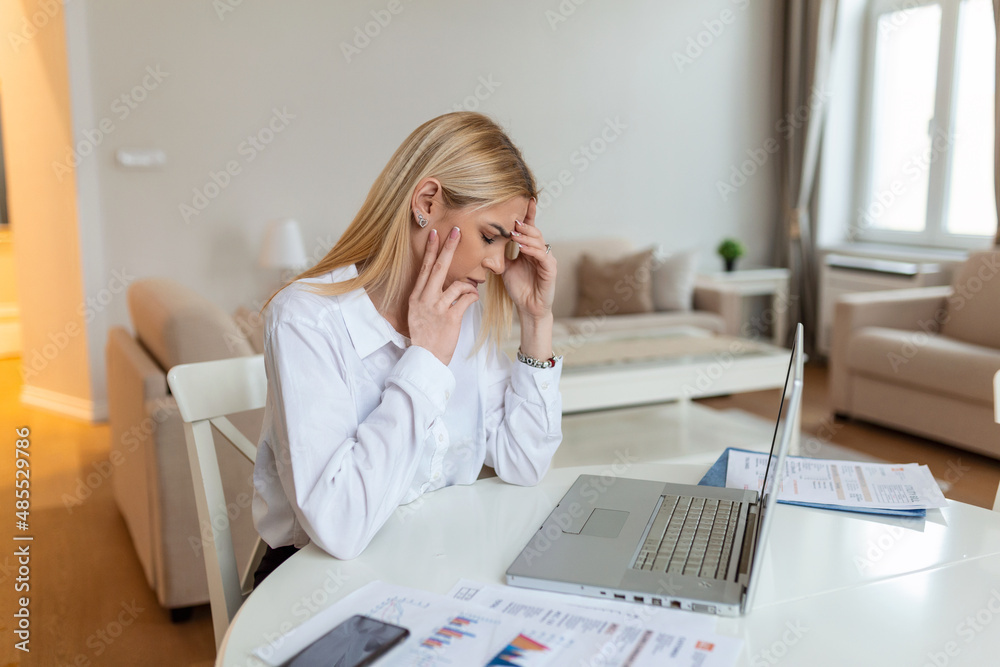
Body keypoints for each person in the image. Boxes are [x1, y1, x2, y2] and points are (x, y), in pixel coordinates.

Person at [251, 112, 563, 586]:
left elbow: (524, 463)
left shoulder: (463, 308)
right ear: (427, 201)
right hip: (316, 584)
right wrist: (427, 360)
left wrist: (535, 318)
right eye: (490, 236)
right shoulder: (306, 319)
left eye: (509, 245)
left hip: (433, 569)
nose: (499, 264)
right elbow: (340, 527)